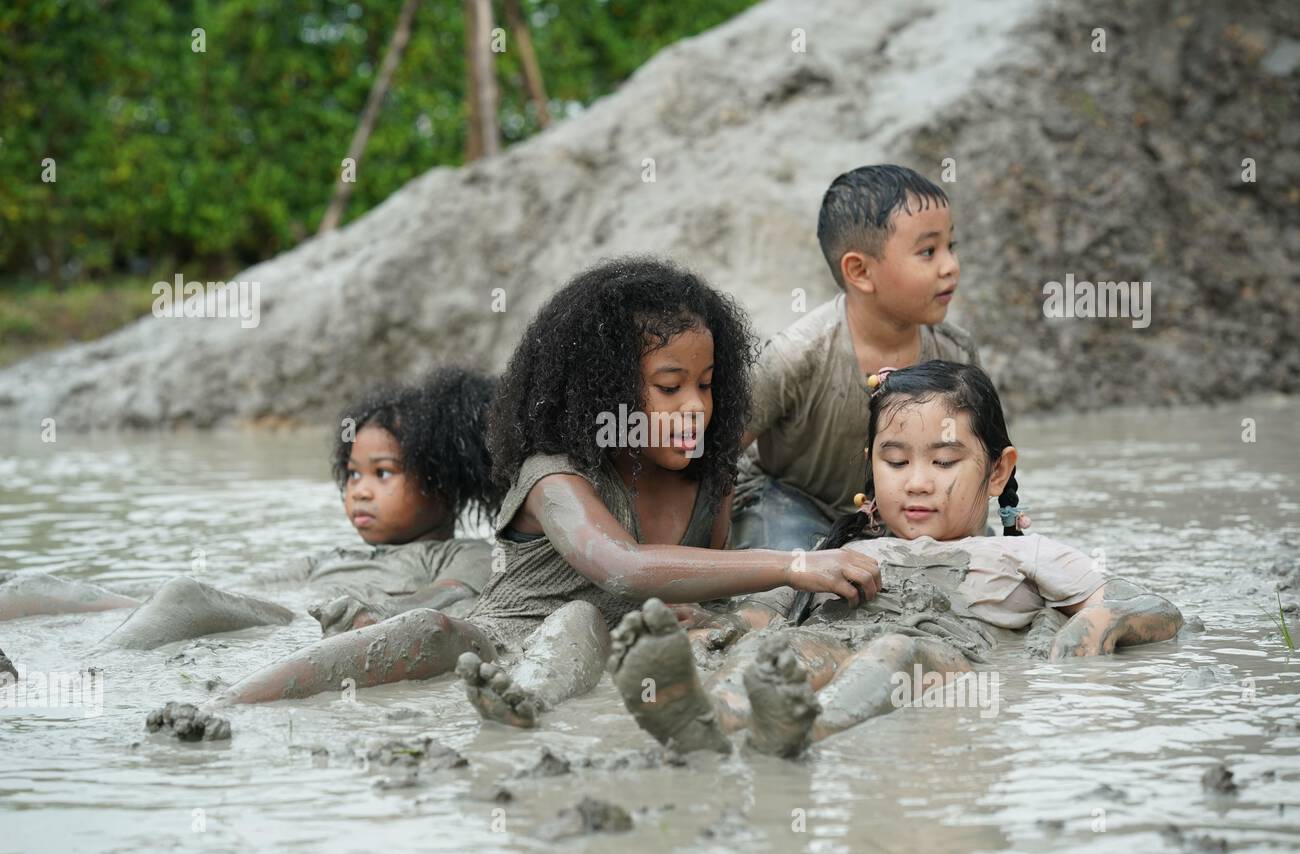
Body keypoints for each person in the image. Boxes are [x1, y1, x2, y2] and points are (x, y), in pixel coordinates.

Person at [197, 257, 880, 724]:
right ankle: (229, 703)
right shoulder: (554, 476)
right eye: (669, 386)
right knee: (443, 626)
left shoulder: (714, 477)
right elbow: (620, 568)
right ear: (603, 391)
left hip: (623, 659)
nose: (695, 408)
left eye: (706, 385)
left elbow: (707, 583)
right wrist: (793, 564)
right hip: (500, 650)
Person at [609, 361, 1184, 757]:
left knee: (894, 650)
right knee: (776, 653)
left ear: (998, 471)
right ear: (870, 465)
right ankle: (708, 718)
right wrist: (718, 625)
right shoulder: (846, 553)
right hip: (839, 642)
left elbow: (1144, 604)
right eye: (896, 460)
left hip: (939, 657)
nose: (917, 483)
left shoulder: (1019, 551)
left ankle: (807, 730)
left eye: (943, 462)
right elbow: (771, 610)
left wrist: (1092, 627)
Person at [3, 368, 500, 650]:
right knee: (44, 585)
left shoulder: (460, 553)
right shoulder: (324, 558)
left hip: (286, 624)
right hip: (244, 609)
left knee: (183, 595)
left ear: (443, 481)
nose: (360, 491)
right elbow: (251, 586)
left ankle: (85, 668)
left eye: (382, 473)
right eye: (351, 475)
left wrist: (382, 612)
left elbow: (445, 597)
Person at [733, 164, 980, 552]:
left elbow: (978, 462)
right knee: (789, 581)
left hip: (898, 514)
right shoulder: (796, 357)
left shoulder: (955, 355)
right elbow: (711, 458)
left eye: (952, 246)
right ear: (860, 271)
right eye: (929, 251)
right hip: (790, 504)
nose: (951, 266)